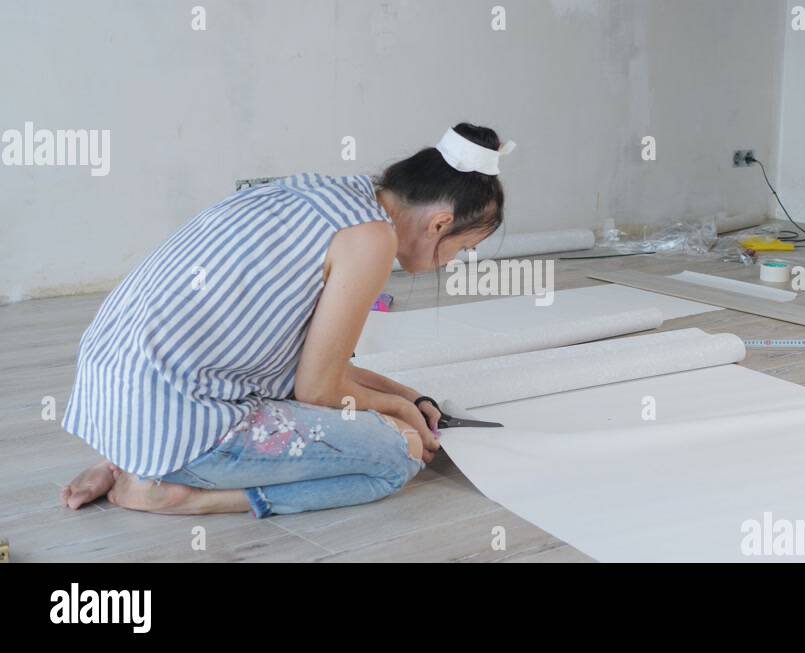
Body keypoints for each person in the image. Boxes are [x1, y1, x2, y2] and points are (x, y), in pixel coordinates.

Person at [59, 123, 514, 518]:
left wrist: (412, 396)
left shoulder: (328, 195)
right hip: (176, 417)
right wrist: (400, 413)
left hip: (113, 397)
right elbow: (317, 390)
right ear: (439, 223)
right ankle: (177, 496)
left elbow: (314, 365)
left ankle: (131, 459)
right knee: (398, 454)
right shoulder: (370, 240)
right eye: (465, 246)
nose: (458, 260)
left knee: (383, 424)